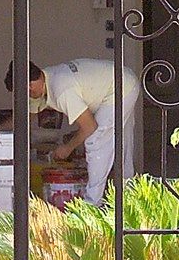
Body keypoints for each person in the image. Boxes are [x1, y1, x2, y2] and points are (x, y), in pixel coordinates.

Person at [7, 55, 134, 204]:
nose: (29, 93)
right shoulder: (45, 81)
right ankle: (129, 197)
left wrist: (67, 148)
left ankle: (92, 203)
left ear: (33, 82)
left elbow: (90, 126)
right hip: (123, 80)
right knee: (122, 142)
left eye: (28, 89)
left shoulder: (61, 90)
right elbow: (25, 118)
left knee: (96, 141)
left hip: (121, 87)